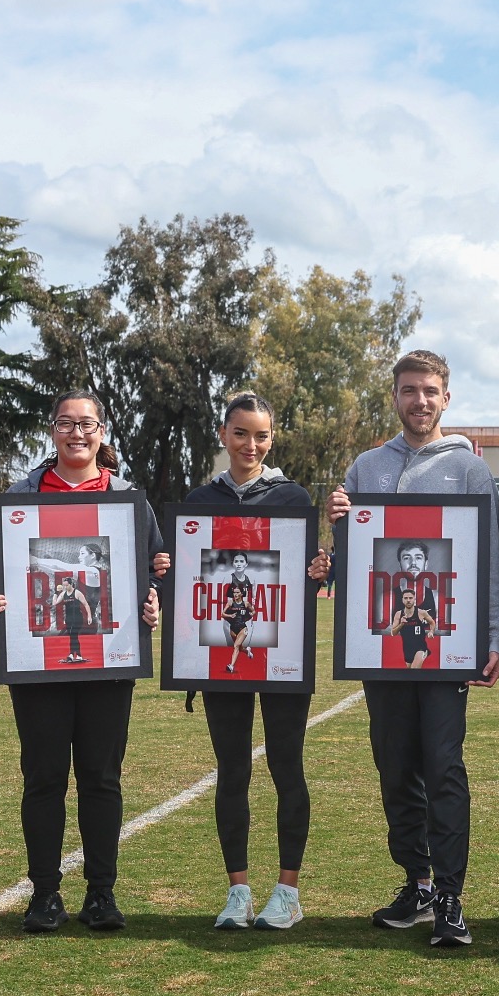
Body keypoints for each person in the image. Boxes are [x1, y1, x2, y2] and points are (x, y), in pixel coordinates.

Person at [328, 349, 499, 947]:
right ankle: (418, 882)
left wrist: (490, 636)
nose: (420, 401)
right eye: (409, 390)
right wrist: (338, 524)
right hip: (381, 650)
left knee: (444, 767)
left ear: (445, 398)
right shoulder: (366, 467)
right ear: (396, 397)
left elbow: (488, 557)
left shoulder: (469, 469)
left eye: (430, 391)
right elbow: (351, 565)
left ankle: (451, 895)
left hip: (446, 648)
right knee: (395, 767)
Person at [0, 390, 162, 934]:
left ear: (102, 432)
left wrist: (154, 599)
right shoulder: (21, 495)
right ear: (52, 430)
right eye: (66, 423)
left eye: (87, 424)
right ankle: (45, 894)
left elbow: (157, 566)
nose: (77, 433)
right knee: (44, 777)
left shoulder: (129, 499)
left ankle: (101, 893)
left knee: (101, 777)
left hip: (110, 660)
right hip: (37, 660)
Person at [171, 391, 331, 931]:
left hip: (282, 652)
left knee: (287, 767)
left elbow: (307, 581)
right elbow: (190, 579)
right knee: (233, 770)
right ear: (223, 434)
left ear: (272, 438)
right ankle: (237, 891)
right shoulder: (199, 499)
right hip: (221, 656)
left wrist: (319, 572)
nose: (251, 444)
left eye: (261, 435)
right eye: (240, 433)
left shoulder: (292, 497)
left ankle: (288, 892)